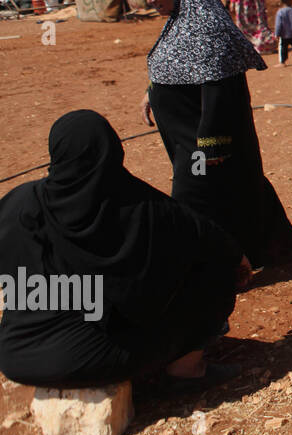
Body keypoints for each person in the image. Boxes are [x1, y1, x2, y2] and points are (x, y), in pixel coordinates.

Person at [0, 111, 243, 391]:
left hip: (15, 357)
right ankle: (187, 371)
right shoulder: (138, 206)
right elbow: (210, 239)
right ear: (113, 151)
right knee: (216, 274)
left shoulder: (18, 203)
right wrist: (238, 259)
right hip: (88, 358)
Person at [137, 0, 292, 268]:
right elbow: (173, 68)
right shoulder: (178, 21)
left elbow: (219, 95)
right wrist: (151, 93)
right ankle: (271, 246)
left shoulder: (207, 27)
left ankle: (216, 270)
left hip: (204, 144)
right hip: (186, 137)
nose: (150, 0)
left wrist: (209, 151)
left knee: (194, 199)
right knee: (241, 187)